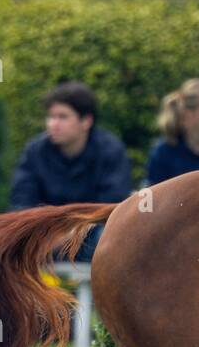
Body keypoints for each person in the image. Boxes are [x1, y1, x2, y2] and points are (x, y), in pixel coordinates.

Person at [9, 81, 132, 262]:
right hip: (42, 238)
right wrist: (45, 234)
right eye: (51, 117)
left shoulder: (111, 150)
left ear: (86, 121)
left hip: (91, 237)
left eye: (63, 117)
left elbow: (114, 206)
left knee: (110, 238)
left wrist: (75, 232)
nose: (53, 124)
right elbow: (21, 203)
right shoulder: (35, 151)